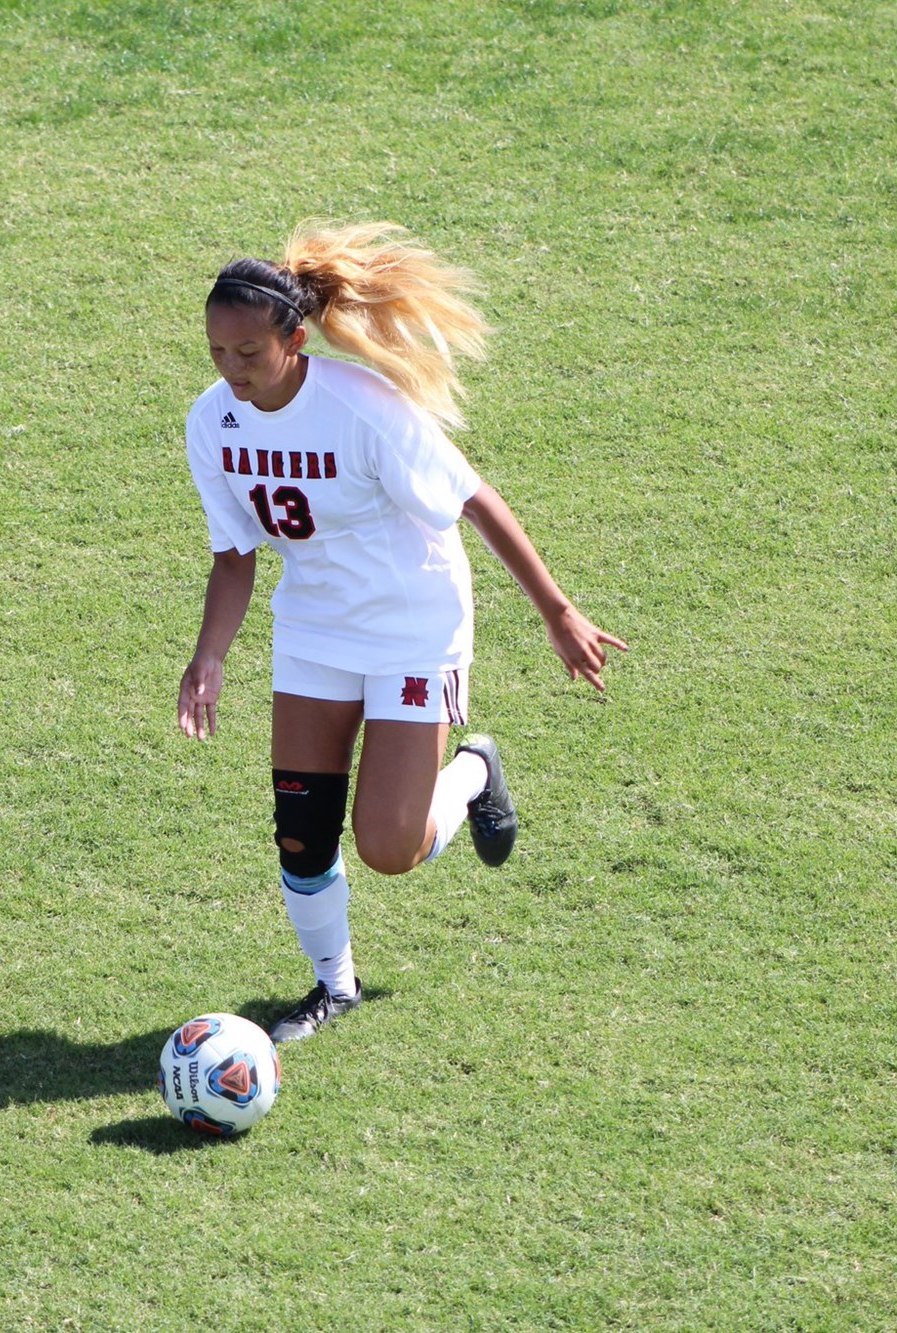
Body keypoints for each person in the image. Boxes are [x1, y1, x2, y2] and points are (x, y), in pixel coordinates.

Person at [177, 222, 627, 1044]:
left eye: (248, 352)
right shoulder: (212, 424)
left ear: (294, 337)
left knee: (389, 845)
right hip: (315, 626)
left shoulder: (365, 409)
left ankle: (472, 770)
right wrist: (209, 656)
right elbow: (235, 557)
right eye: (216, 352)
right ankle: (334, 987)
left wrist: (558, 612)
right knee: (301, 831)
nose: (231, 370)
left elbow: (475, 499)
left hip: (414, 625)